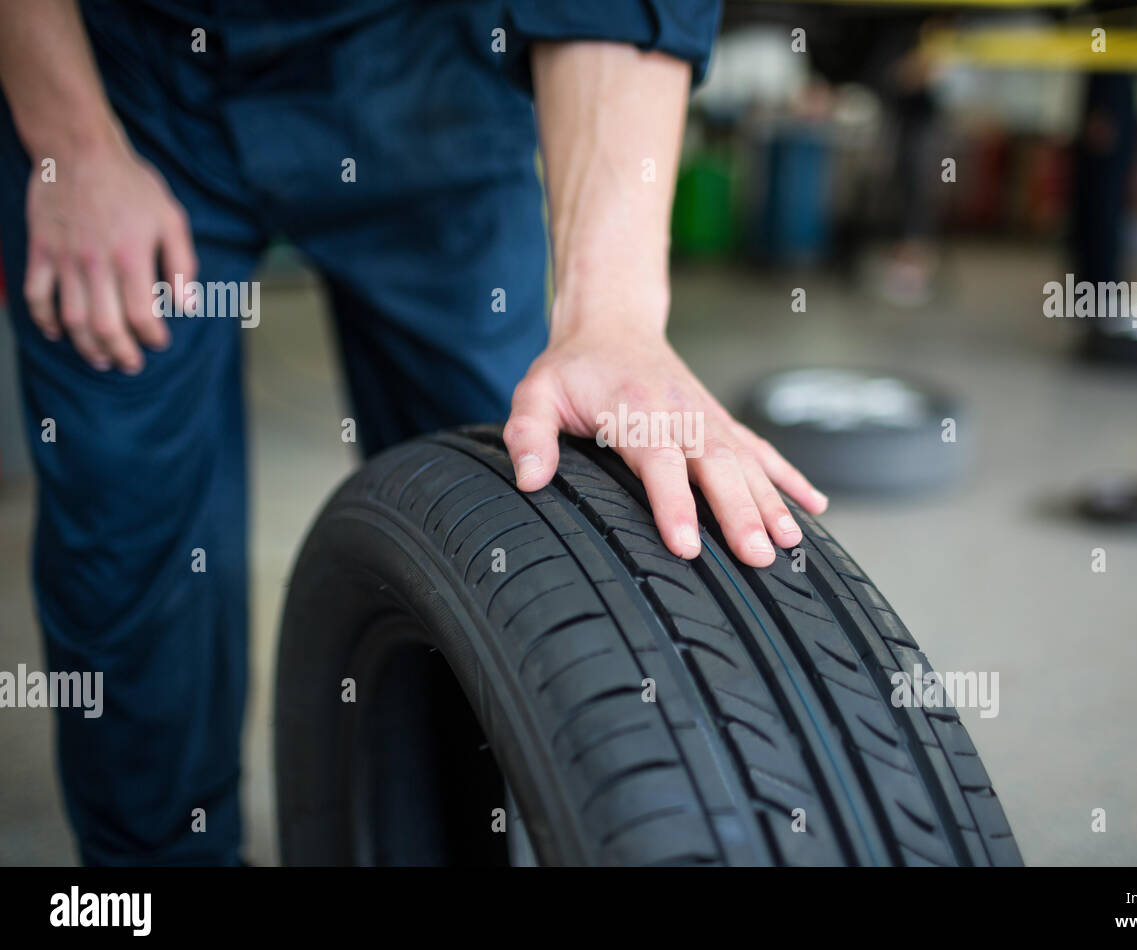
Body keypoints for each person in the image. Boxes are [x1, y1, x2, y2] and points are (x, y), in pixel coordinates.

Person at [0, 0, 827, 865]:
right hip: (122, 73)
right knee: (130, 544)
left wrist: (613, 314)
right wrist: (73, 148)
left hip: (426, 59)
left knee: (517, 521)